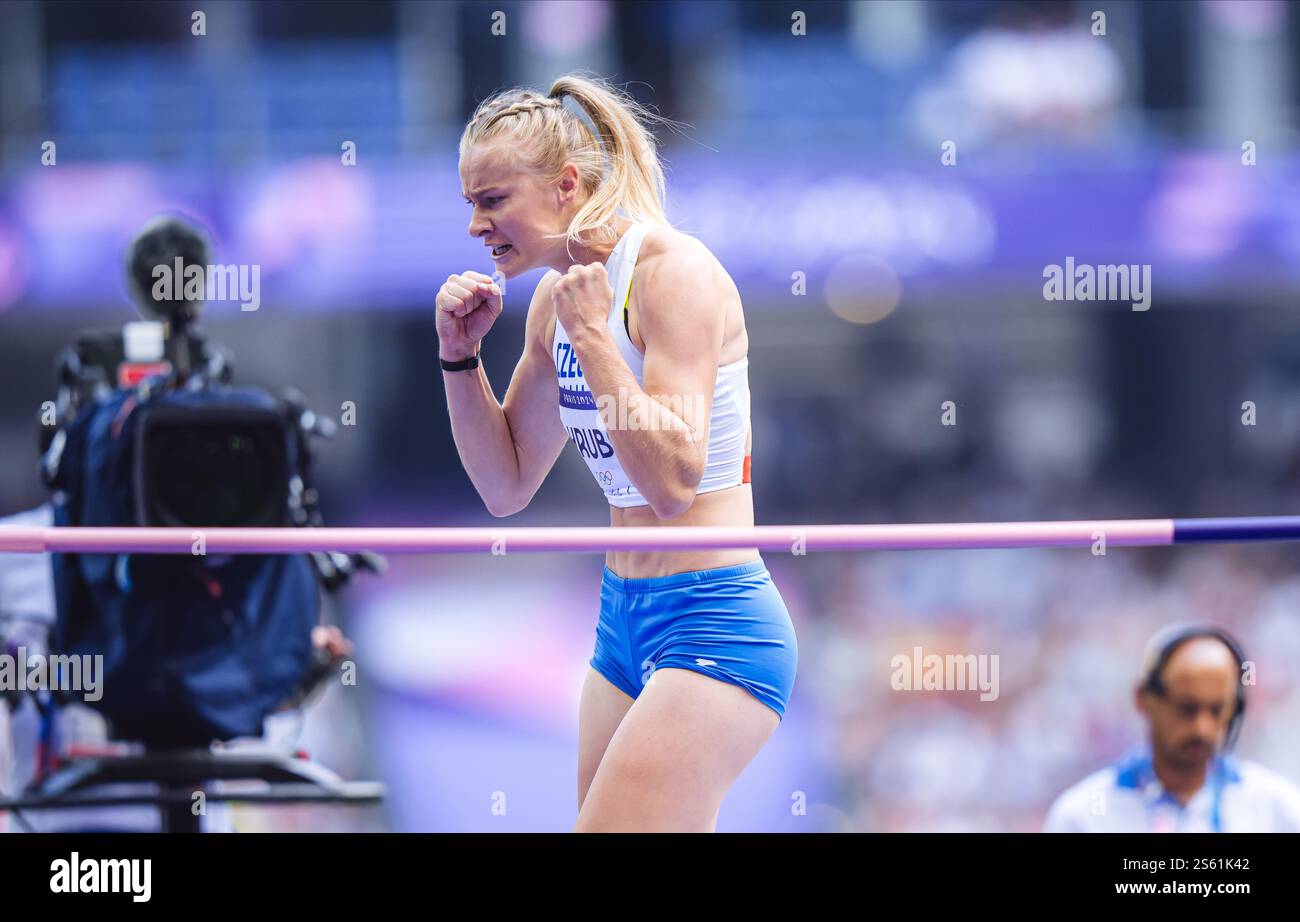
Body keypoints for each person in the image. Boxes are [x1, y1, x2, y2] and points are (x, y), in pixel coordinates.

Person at [437, 73, 797, 832]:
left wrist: (598, 341)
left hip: (714, 619)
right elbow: (504, 485)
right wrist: (460, 360)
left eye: (493, 199)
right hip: (621, 623)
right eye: (470, 201)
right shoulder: (552, 301)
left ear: (566, 185)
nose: (475, 224)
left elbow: (671, 484)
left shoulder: (673, 274)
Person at [1044, 623, 1300, 832]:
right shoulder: (1080, 817)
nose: (1202, 729)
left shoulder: (1280, 810)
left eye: (1217, 709)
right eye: (1186, 708)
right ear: (1143, 699)